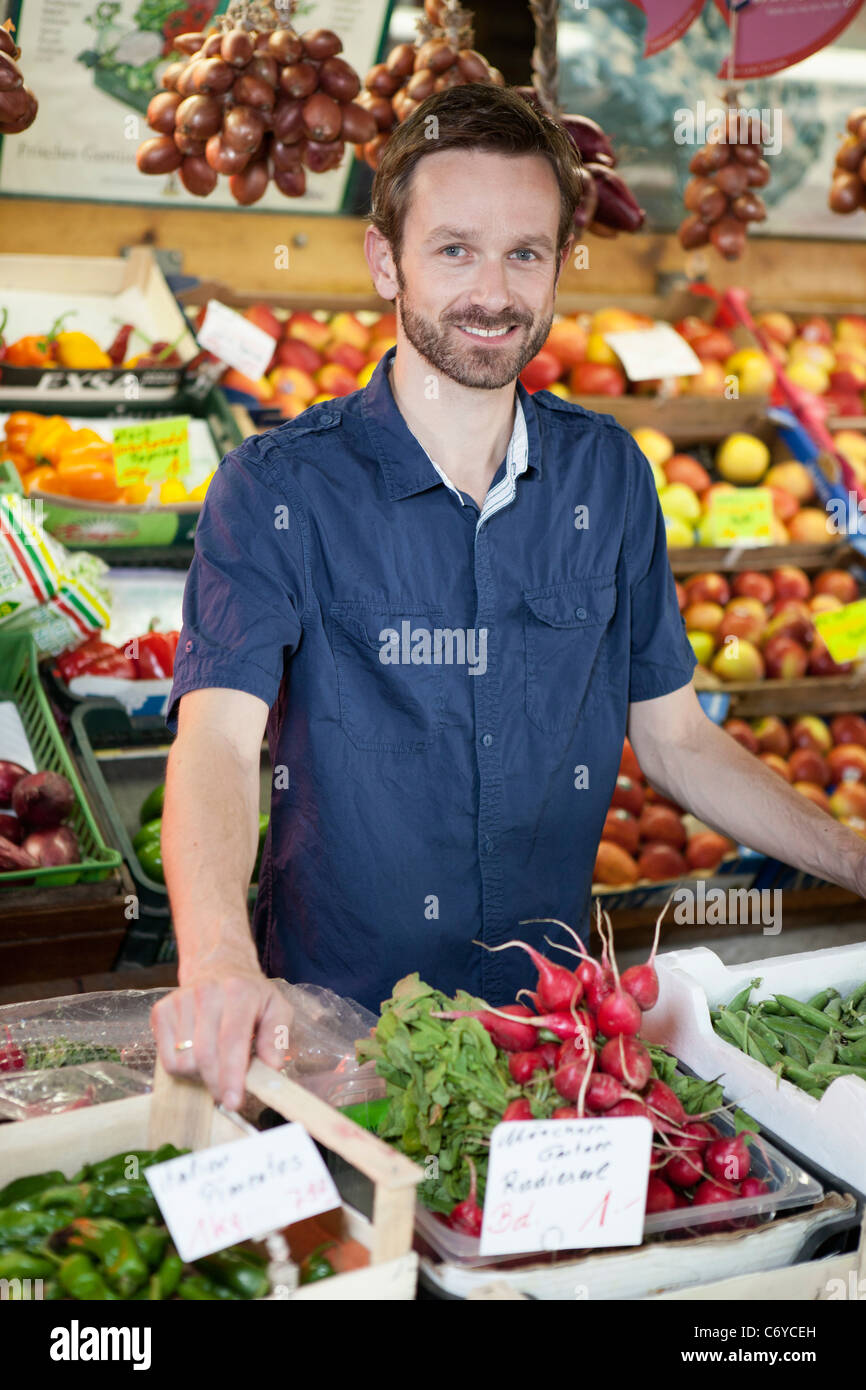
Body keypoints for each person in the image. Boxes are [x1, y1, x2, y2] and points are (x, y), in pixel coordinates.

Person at [153, 83, 865, 1107]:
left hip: (553, 1049)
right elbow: (216, 741)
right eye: (453, 249)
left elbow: (677, 741)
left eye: (524, 253)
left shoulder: (608, 477)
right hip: (331, 1044)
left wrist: (849, 856)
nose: (491, 292)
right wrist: (219, 958)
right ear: (383, 260)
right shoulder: (276, 489)